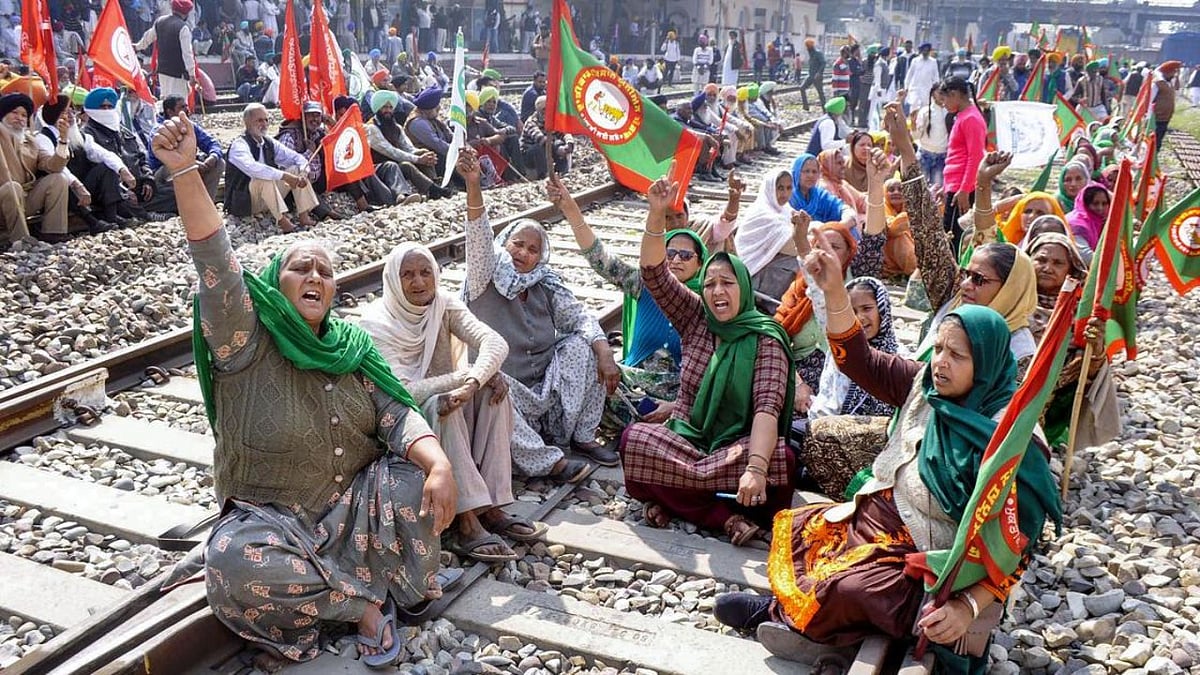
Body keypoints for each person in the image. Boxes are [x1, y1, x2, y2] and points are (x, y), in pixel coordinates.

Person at [152, 111, 458, 669]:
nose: (315, 277)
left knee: (416, 481)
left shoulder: (350, 346)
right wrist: (185, 173)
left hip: (352, 510)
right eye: (301, 268)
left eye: (325, 270)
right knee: (231, 564)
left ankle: (355, 586)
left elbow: (396, 412)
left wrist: (436, 462)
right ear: (275, 282)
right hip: (274, 520)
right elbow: (215, 263)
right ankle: (362, 603)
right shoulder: (244, 337)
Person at [714, 240, 1060, 672]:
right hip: (881, 516)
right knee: (807, 528)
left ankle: (786, 618)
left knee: (855, 587)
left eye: (957, 356)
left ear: (988, 365)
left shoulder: (1013, 441)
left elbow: (1018, 544)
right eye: (939, 350)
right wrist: (835, 291)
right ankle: (809, 619)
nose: (941, 364)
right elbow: (859, 360)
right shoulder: (928, 384)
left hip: (931, 555)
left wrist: (969, 607)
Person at [619, 170, 795, 545]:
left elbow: (767, 409)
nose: (717, 291)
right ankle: (722, 515)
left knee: (783, 463)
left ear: (743, 288)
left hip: (735, 448)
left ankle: (677, 498)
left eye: (727, 283)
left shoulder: (766, 339)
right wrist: (656, 212)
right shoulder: (696, 315)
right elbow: (654, 273)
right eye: (710, 283)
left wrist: (756, 469)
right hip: (686, 440)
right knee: (633, 440)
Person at [361, 242, 548, 563]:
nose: (419, 282)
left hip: (447, 403)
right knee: (440, 404)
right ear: (393, 280)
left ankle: (491, 505)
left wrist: (476, 380)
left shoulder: (443, 305)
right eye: (408, 275)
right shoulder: (375, 323)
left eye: (425, 273)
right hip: (402, 425)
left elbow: (493, 342)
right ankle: (466, 520)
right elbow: (405, 391)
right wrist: (466, 379)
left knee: (494, 390)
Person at [458, 146, 620, 469]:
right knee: (488, 385)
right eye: (517, 244)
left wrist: (604, 351)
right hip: (504, 393)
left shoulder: (544, 282)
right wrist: (474, 186)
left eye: (533, 249)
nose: (523, 253)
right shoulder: (483, 275)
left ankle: (581, 436)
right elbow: (477, 238)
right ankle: (549, 463)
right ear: (504, 244)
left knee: (583, 345)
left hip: (542, 395)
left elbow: (580, 317)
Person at [883, 108, 1039, 371]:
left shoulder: (1019, 352)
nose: (965, 284)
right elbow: (927, 231)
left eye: (978, 279)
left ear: (1011, 289)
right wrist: (906, 151)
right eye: (967, 273)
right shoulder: (954, 300)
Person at [557, 171, 707, 424]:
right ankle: (649, 423)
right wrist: (570, 208)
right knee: (591, 370)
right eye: (669, 253)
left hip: (684, 393)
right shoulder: (643, 282)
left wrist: (676, 405)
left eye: (685, 255)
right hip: (635, 383)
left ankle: (662, 421)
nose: (676, 260)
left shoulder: (709, 298)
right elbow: (599, 258)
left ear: (700, 263)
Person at [1023, 233, 1119, 448]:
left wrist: (1095, 350)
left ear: (1071, 270)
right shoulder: (1011, 299)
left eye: (1058, 263)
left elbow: (1092, 371)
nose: (1048, 268)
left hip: (1053, 397)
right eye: (1041, 260)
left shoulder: (1080, 314)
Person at [224, 102, 319, 232]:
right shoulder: (239, 145)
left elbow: (297, 158)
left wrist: (303, 172)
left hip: (268, 199)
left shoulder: (268, 142)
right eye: (259, 120)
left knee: (296, 169)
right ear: (247, 122)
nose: (264, 124)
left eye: (266, 120)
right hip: (246, 201)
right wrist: (284, 176)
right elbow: (253, 168)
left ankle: (304, 215)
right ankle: (282, 221)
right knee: (262, 177)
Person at [33, 96, 119, 237]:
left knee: (107, 167)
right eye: (65, 112)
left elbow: (102, 153)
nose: (71, 116)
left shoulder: (80, 135)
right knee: (62, 179)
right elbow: (56, 166)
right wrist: (77, 184)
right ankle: (93, 223)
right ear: (54, 116)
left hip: (84, 186)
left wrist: (122, 170)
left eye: (72, 111)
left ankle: (112, 217)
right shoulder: (43, 138)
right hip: (63, 189)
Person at [69, 87, 156, 227]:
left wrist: (148, 179)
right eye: (103, 107)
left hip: (137, 183)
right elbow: (101, 161)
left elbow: (141, 157)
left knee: (169, 189)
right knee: (122, 193)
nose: (107, 110)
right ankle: (143, 215)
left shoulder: (122, 130)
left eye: (110, 106)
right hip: (113, 190)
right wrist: (124, 189)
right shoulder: (87, 133)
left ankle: (150, 210)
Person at [0, 93, 72, 245]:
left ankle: (53, 233)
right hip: (4, 198)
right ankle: (21, 241)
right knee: (12, 187)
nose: (19, 118)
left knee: (58, 179)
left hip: (25, 199)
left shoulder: (31, 141)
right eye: (14, 112)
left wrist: (63, 140)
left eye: (24, 115)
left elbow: (53, 166)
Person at [365, 90, 453, 200]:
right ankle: (406, 195)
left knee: (425, 153)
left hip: (396, 162)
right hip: (381, 167)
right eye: (384, 107)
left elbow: (408, 147)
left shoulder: (396, 127)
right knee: (406, 165)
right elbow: (391, 151)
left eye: (390, 107)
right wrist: (418, 159)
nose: (388, 110)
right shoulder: (370, 128)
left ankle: (435, 185)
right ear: (377, 108)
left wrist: (422, 156)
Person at [144, 95, 224, 215]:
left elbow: (212, 143)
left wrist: (212, 157)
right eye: (182, 107)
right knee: (185, 168)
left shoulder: (189, 125)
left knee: (219, 163)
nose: (187, 109)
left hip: (190, 164)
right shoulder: (159, 130)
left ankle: (206, 206)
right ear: (170, 112)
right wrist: (192, 164)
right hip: (164, 172)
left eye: (186, 106)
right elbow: (169, 158)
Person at [940, 76, 987, 253]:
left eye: (944, 99)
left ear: (954, 95)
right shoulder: (962, 116)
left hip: (962, 186)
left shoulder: (971, 119)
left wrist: (965, 190)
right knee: (951, 234)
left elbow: (975, 157)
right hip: (955, 184)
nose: (944, 104)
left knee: (954, 238)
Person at [134, 0, 197, 100]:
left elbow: (148, 37)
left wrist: (137, 47)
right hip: (178, 72)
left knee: (166, 99)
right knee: (179, 102)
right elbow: (187, 54)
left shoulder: (160, 21)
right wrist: (192, 74)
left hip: (163, 70)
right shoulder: (183, 28)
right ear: (186, 13)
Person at [405, 87, 454, 178]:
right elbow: (437, 144)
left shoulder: (431, 117)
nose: (439, 109)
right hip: (430, 159)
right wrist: (456, 151)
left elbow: (448, 134)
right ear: (428, 109)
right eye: (437, 107)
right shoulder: (417, 123)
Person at [520, 96, 572, 179]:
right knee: (538, 148)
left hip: (549, 148)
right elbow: (541, 139)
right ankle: (543, 175)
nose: (546, 112)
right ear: (538, 110)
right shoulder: (531, 122)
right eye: (544, 109)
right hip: (529, 154)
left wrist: (568, 143)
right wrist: (557, 148)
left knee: (560, 143)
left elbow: (563, 132)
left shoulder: (554, 119)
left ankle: (562, 171)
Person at [913, 86, 949, 186]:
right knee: (920, 186)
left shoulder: (949, 111)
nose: (942, 96)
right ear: (933, 94)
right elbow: (917, 134)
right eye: (940, 93)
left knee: (937, 188)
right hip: (925, 153)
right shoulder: (925, 111)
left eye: (944, 93)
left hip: (942, 155)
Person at [1065, 181, 1112, 256]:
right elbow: (1085, 256)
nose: (1100, 208)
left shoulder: (1098, 222)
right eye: (1095, 203)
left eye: (1104, 203)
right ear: (1085, 204)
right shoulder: (1077, 224)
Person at [1152, 61, 1180, 151]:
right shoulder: (1158, 83)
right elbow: (1150, 101)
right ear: (1166, 72)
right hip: (1156, 118)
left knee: (1159, 140)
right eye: (1173, 72)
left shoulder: (1169, 82)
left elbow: (1177, 87)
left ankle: (1154, 158)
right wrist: (1148, 117)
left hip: (1165, 117)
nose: (1174, 75)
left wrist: (1177, 77)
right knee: (1154, 140)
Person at [906, 42, 940, 112]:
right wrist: (906, 87)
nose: (925, 52)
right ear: (921, 51)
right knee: (913, 109)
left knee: (925, 110)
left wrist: (936, 87)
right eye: (924, 50)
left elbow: (936, 76)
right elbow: (909, 75)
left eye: (927, 50)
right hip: (915, 89)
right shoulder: (915, 61)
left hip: (927, 90)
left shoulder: (933, 62)